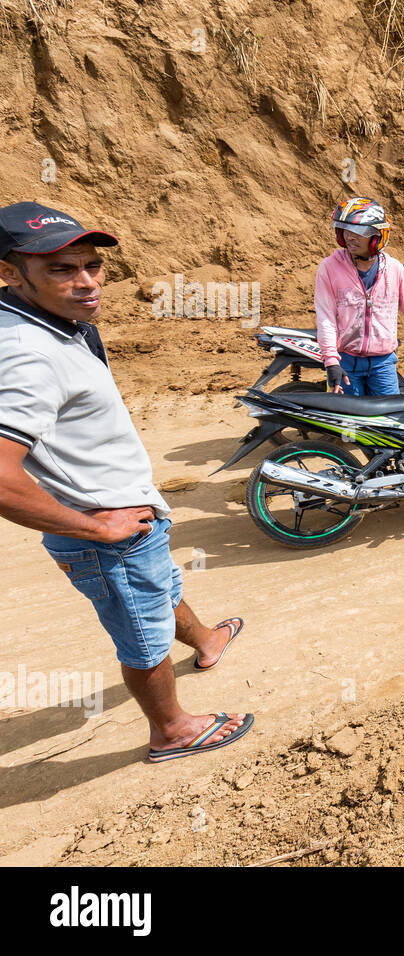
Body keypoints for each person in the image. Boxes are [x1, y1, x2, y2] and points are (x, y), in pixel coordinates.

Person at [0, 202, 252, 763]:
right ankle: (172, 730)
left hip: (128, 517)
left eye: (92, 265)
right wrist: (94, 527)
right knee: (142, 637)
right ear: (10, 273)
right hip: (105, 530)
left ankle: (207, 639)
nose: (87, 281)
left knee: (159, 590)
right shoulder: (26, 354)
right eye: (62, 269)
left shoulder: (46, 322)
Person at [315, 197, 404, 395]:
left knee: (391, 420)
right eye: (346, 230)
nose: (350, 237)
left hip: (383, 364)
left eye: (359, 231)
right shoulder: (329, 268)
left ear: (378, 235)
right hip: (346, 362)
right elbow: (325, 317)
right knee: (348, 423)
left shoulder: (394, 269)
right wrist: (331, 361)